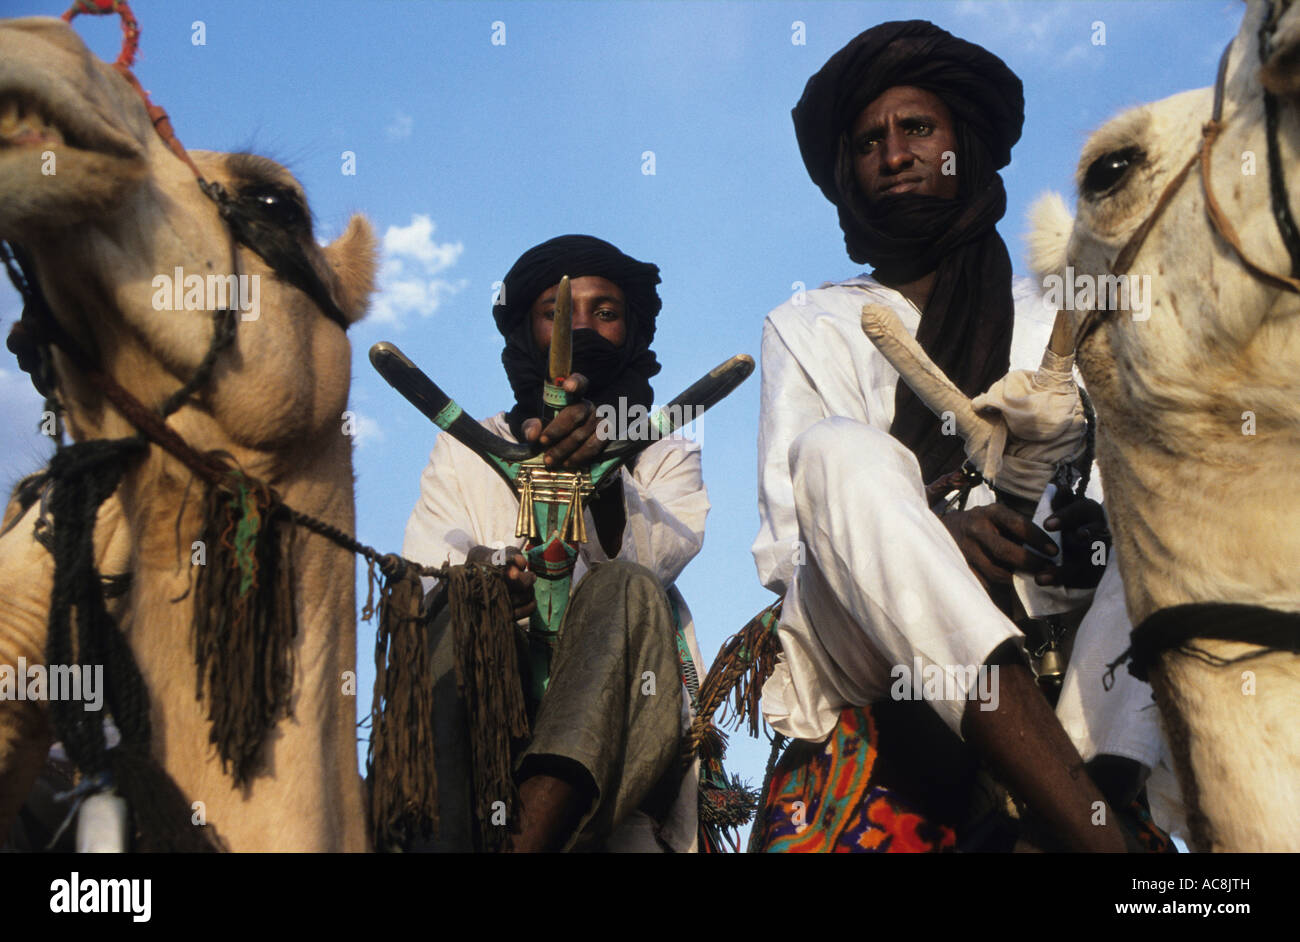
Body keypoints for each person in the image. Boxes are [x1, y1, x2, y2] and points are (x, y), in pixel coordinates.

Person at [751, 20, 1144, 852]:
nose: (895, 153)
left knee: (1169, 510)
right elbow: (792, 548)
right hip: (871, 648)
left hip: (1060, 640)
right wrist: (936, 538)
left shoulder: (1056, 318)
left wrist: (1094, 538)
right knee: (838, 453)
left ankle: (1096, 786)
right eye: (869, 142)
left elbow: (1112, 494)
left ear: (963, 144)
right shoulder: (810, 322)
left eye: (918, 129)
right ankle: (1103, 843)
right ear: (848, 173)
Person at [402, 235, 708, 852]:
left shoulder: (665, 455)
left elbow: (654, 564)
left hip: (614, 767)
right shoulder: (465, 446)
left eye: (605, 312)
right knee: (458, 602)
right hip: (476, 729)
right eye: (556, 314)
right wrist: (496, 581)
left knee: (625, 588)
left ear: (632, 329)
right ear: (524, 329)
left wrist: (599, 484)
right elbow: (423, 574)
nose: (582, 328)